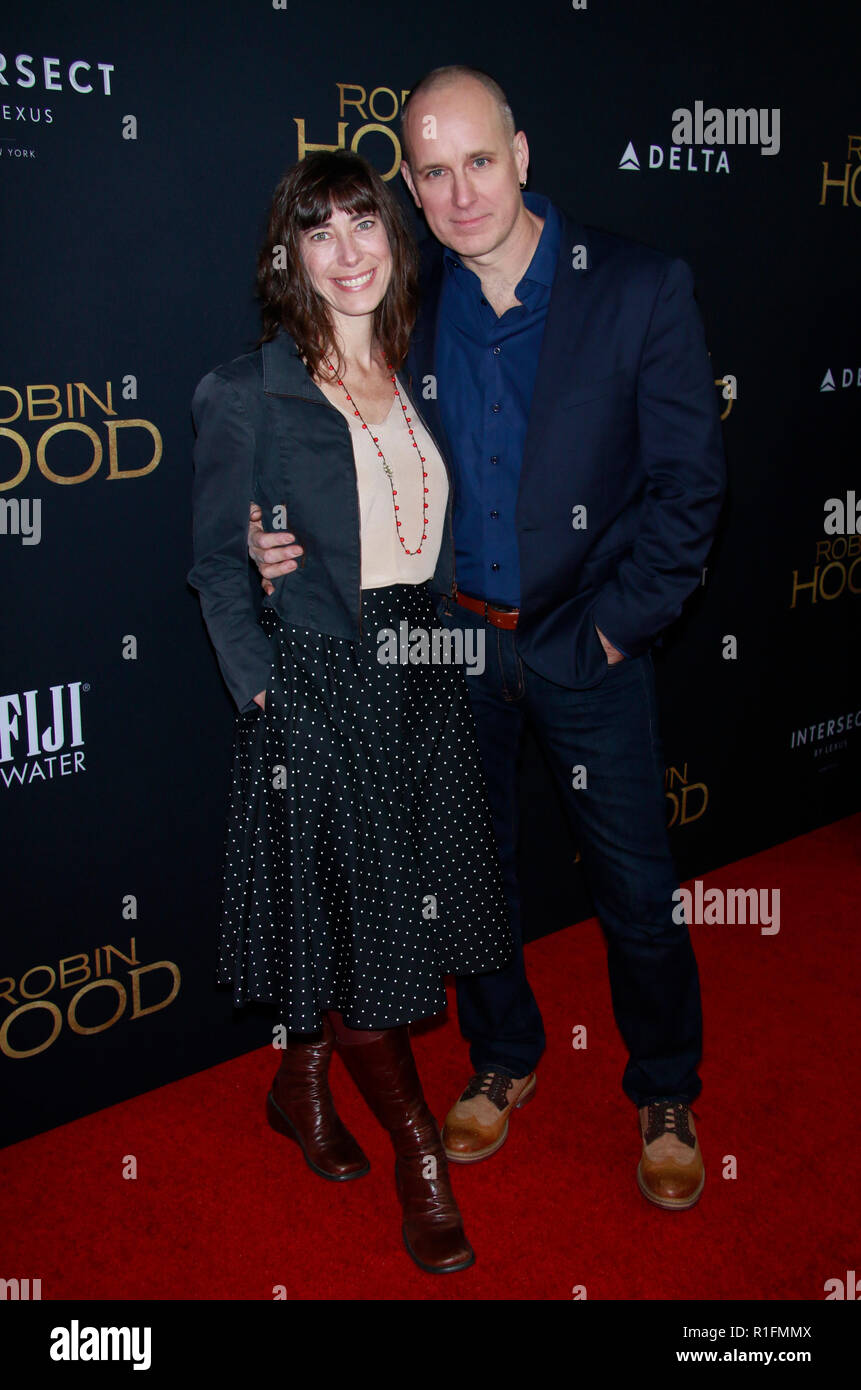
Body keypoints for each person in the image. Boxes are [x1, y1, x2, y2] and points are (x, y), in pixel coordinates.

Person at [248, 66, 726, 1211]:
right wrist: (278, 541)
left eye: (478, 160)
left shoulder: (637, 288)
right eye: (431, 170)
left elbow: (688, 491)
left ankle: (664, 1087)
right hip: (449, 647)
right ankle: (505, 1054)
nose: (459, 191)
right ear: (410, 183)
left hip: (583, 641)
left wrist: (611, 636)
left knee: (636, 887)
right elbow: (337, 441)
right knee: (472, 882)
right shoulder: (406, 304)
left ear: (520, 153)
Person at [187, 147, 513, 1273]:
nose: (347, 250)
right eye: (318, 231)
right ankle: (419, 1149)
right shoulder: (247, 393)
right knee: (372, 943)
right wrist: (265, 686)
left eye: (363, 223)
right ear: (291, 257)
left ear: (393, 236)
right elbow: (218, 572)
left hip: (420, 682)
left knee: (360, 921)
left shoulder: (420, 370)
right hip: (322, 693)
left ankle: (297, 1079)